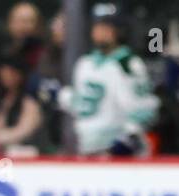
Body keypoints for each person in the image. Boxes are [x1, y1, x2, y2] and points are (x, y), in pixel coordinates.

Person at [64, 2, 158, 155]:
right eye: (98, 26)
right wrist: (62, 97)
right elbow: (81, 104)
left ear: (119, 31)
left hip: (118, 149)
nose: (101, 32)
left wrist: (130, 134)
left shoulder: (128, 63)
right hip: (86, 147)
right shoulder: (85, 64)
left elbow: (145, 107)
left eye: (108, 27)